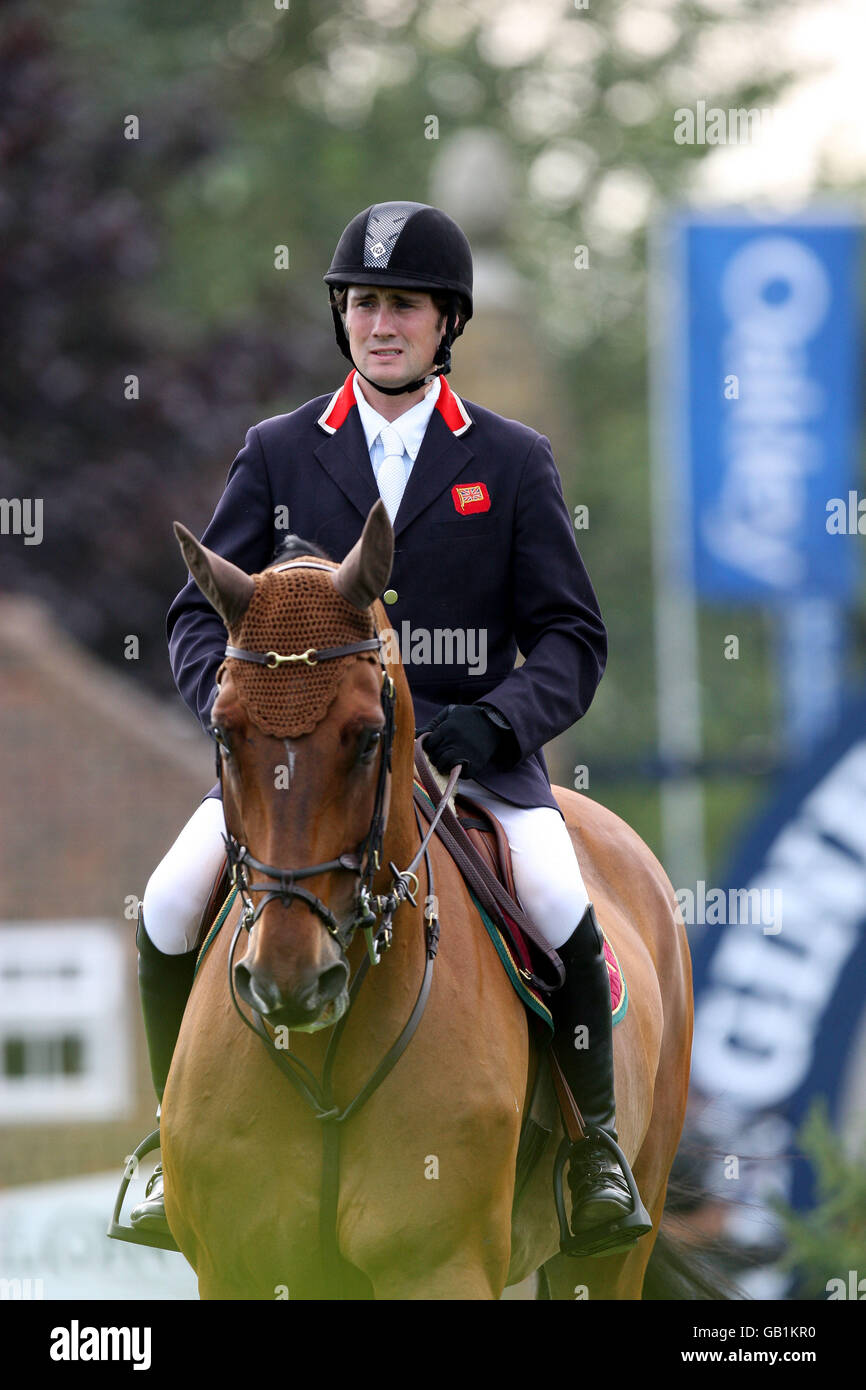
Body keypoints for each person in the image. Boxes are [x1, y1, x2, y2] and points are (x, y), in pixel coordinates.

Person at [131, 200, 648, 1257]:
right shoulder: (276, 452)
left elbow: (568, 636)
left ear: (443, 322)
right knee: (169, 903)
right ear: (342, 317)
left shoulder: (509, 460)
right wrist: (250, 721)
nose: (380, 323)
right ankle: (165, 1145)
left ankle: (593, 1146)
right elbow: (199, 614)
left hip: (472, 761)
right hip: (301, 765)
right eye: (362, 303)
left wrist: (497, 722)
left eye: (402, 306)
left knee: (559, 902)